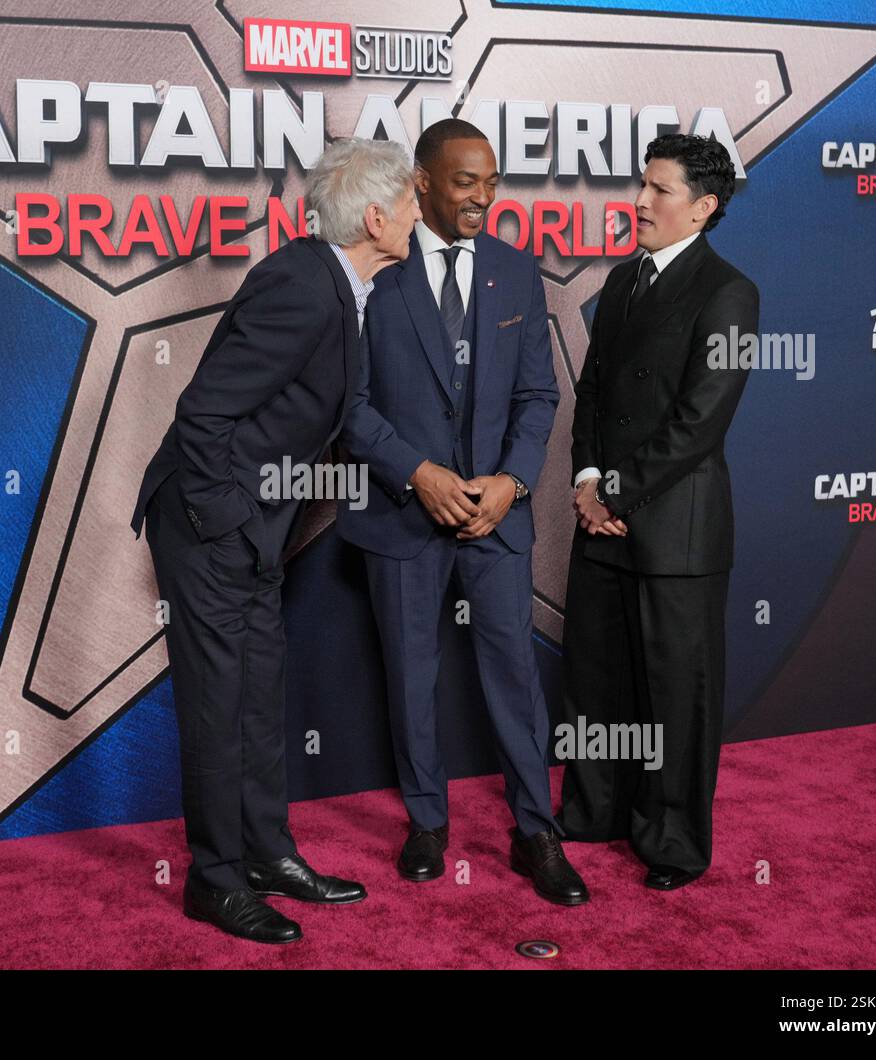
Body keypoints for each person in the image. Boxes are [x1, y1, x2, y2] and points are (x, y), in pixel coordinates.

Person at [130, 137, 421, 943]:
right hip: (208, 524)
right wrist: (229, 522)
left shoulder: (344, 287)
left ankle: (265, 853)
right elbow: (205, 413)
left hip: (253, 529)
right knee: (220, 705)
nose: (416, 218)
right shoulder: (300, 283)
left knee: (258, 695)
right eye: (408, 206)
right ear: (375, 217)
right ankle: (214, 880)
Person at [336, 119, 587, 906]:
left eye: (491, 180)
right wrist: (418, 474)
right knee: (411, 679)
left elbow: (539, 395)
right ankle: (426, 824)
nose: (483, 196)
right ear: (421, 183)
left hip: (496, 519)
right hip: (400, 516)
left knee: (515, 677)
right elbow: (348, 403)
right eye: (464, 182)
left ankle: (535, 831)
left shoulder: (517, 274)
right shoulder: (375, 270)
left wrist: (511, 480)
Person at [559, 132, 760, 890]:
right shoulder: (620, 282)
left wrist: (611, 492)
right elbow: (593, 393)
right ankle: (595, 808)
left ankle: (672, 841)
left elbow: (702, 420)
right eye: (641, 185)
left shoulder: (731, 292)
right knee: (597, 679)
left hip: (677, 531)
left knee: (677, 693)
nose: (640, 201)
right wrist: (586, 478)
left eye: (659, 190)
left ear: (703, 208)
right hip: (602, 520)